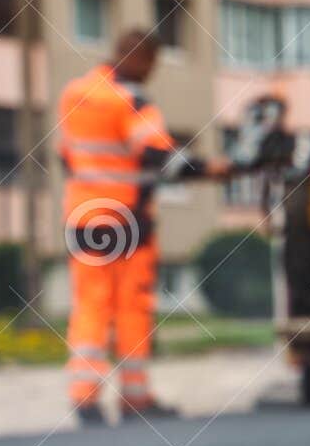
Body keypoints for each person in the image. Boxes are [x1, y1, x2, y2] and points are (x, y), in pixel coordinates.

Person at [57, 29, 231, 424]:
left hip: (84, 219)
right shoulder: (131, 101)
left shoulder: (74, 95)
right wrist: (212, 169)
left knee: (90, 304)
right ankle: (135, 398)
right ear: (140, 58)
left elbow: (65, 157)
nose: (152, 73)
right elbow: (161, 158)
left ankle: (84, 398)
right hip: (127, 222)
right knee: (132, 306)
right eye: (151, 64)